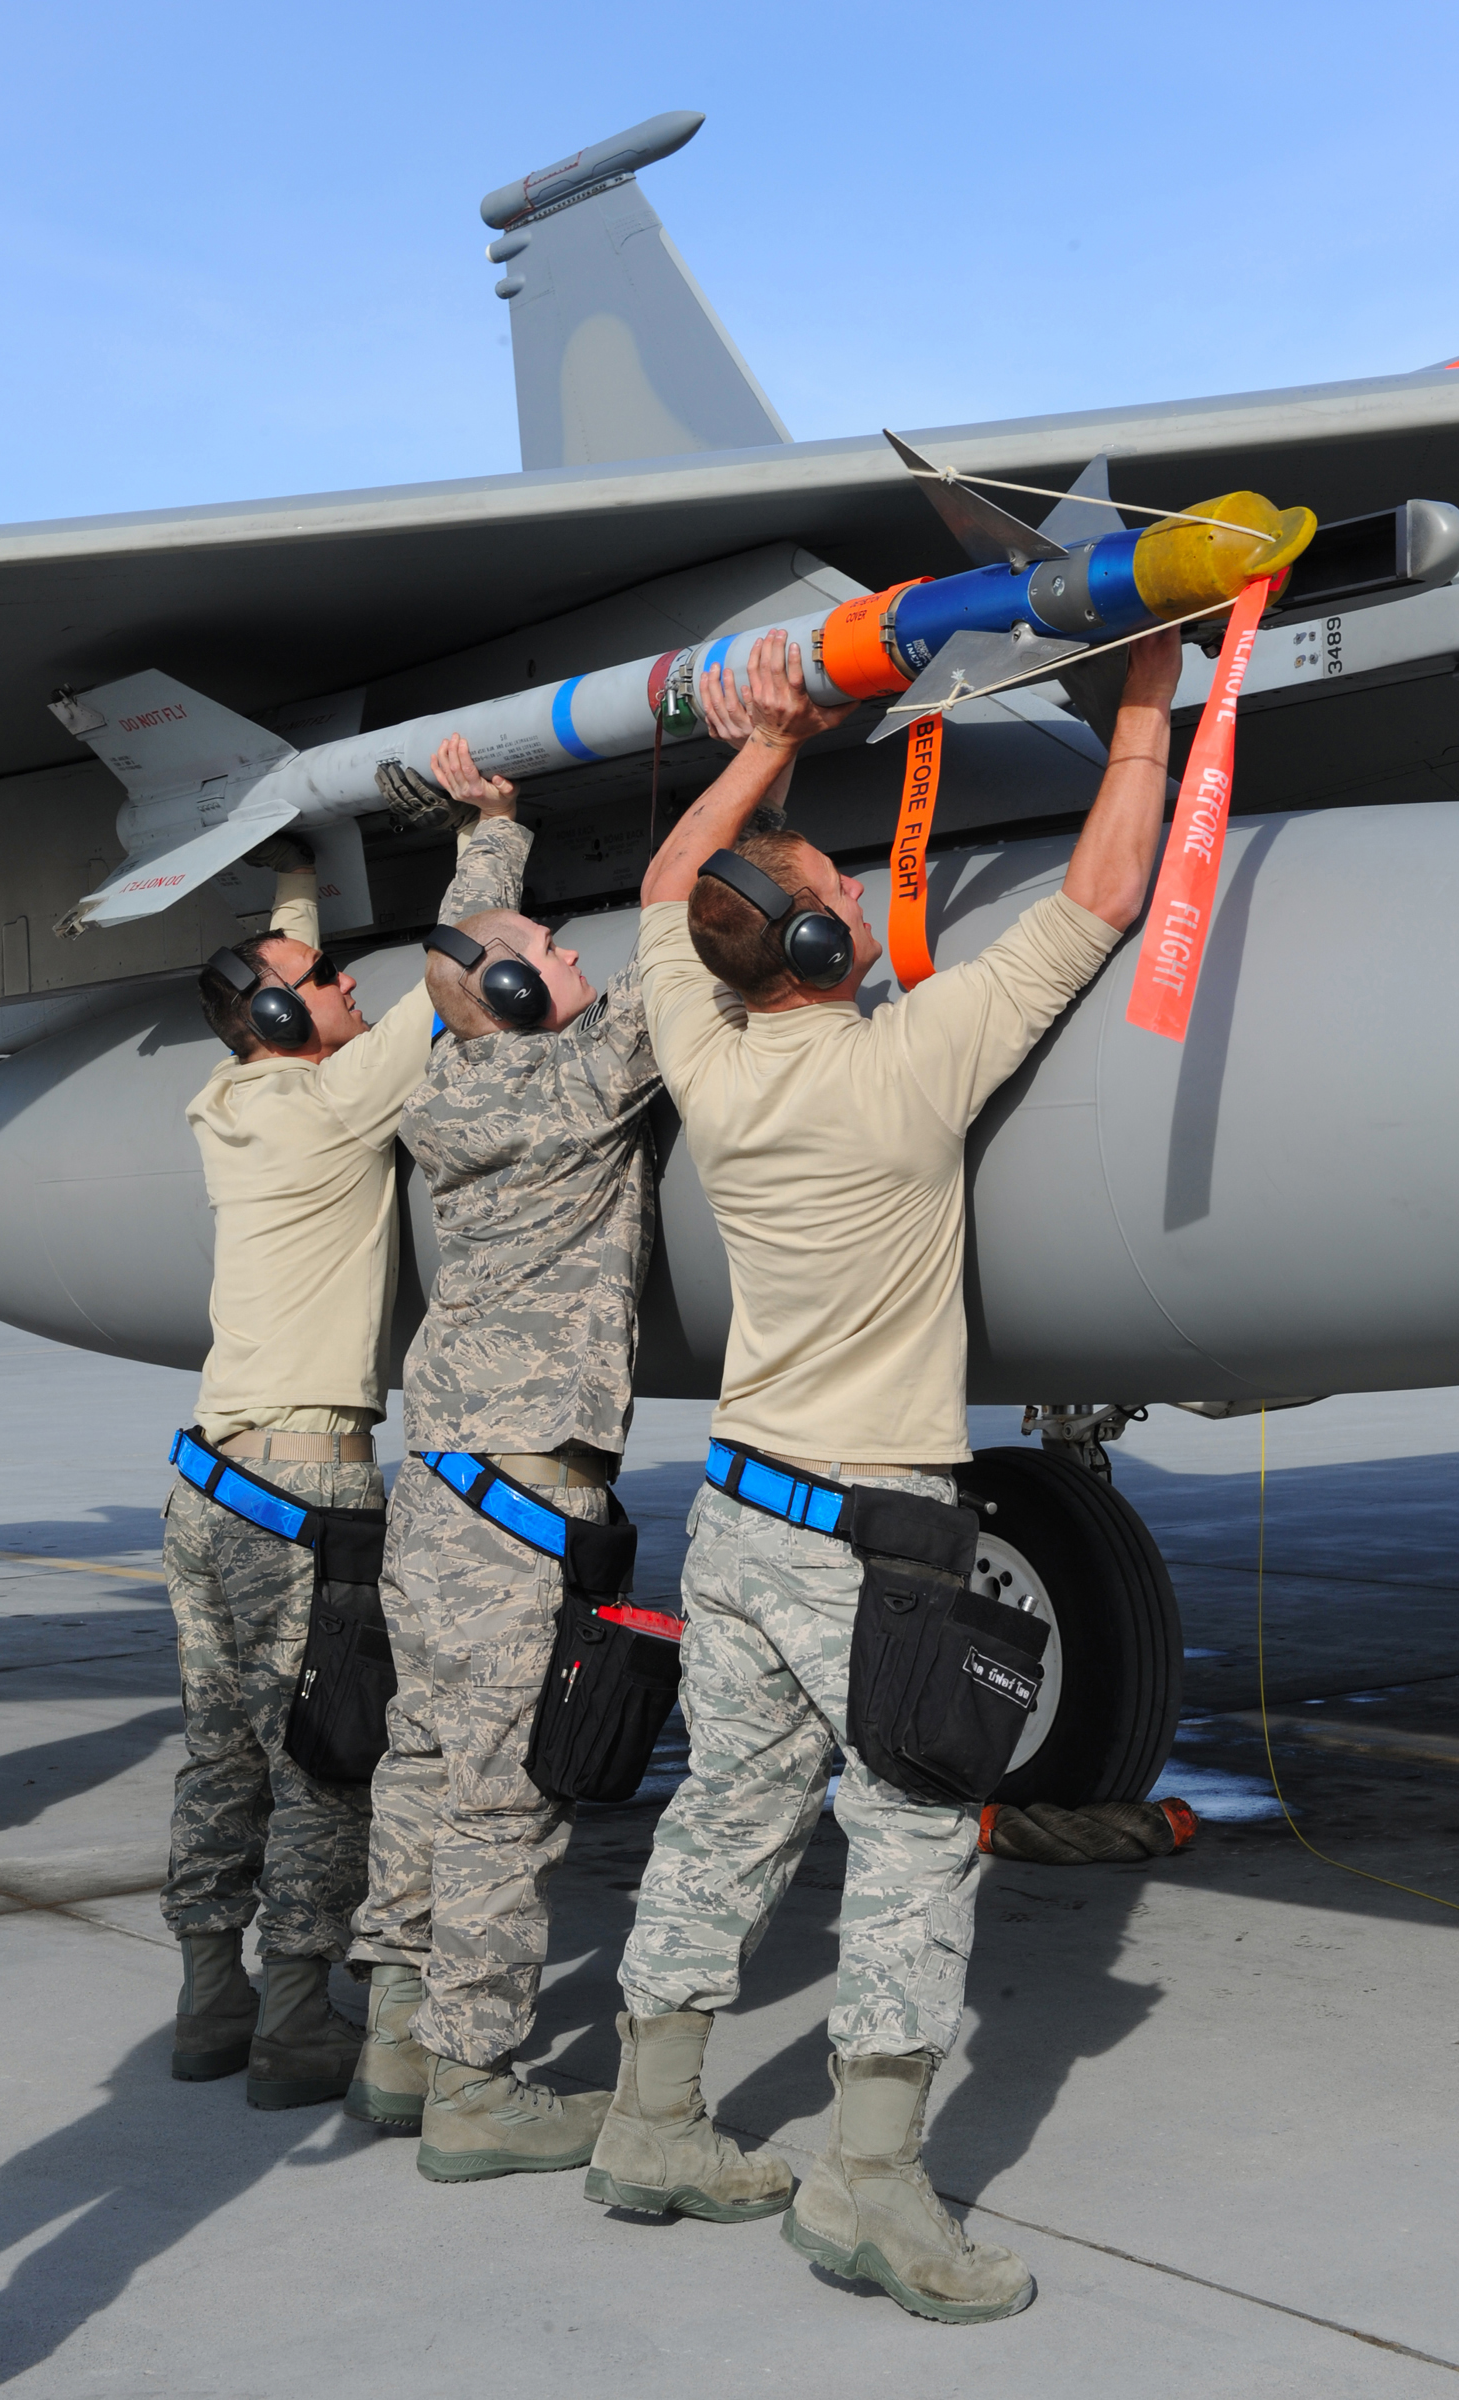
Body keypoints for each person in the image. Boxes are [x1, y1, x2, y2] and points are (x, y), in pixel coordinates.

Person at [585, 623, 1183, 2322]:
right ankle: (867, 2189)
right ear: (824, 936)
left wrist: (762, 745)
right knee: (916, 1849)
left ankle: (649, 2126)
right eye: (830, 880)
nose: (850, 882)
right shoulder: (906, 1073)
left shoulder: (709, 1058)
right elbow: (1105, 891)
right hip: (869, 1536)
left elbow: (673, 875)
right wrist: (1142, 704)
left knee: (722, 1823)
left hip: (739, 1514)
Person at [162, 755, 517, 2109]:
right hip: (305, 1481)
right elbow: (452, 973)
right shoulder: (332, 1107)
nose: (344, 985)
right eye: (322, 988)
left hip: (206, 1480)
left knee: (221, 1748)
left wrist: (297, 857)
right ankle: (298, 2019)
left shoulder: (234, 1104)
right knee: (323, 1754)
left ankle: (210, 2000)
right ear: (275, 1014)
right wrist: (489, 832)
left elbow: (304, 969)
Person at [344, 765, 664, 2186]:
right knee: (500, 1796)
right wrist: (761, 748)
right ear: (524, 1001)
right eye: (551, 953)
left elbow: (470, 946)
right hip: (526, 1503)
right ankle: (477, 2085)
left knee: (421, 1765)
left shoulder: (460, 1072)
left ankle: (398, 2039)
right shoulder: (581, 1082)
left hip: (443, 1497)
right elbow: (697, 935)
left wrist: (491, 834)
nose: (573, 953)